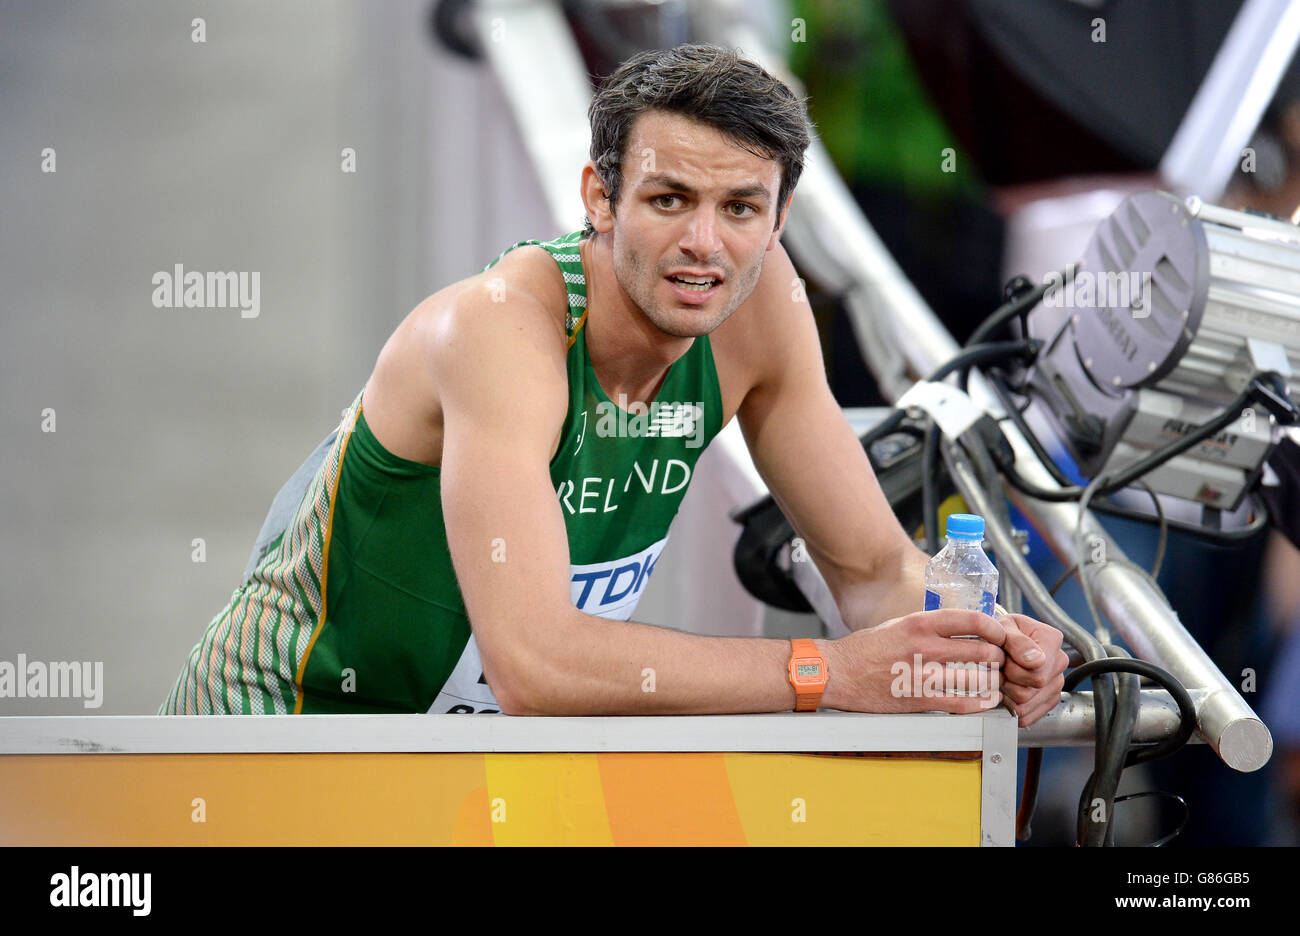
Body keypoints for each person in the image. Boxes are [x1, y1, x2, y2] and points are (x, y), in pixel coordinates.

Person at [160, 43, 1067, 720]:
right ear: (600, 198)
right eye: (669, 199)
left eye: (741, 208)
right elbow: (535, 666)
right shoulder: (496, 329)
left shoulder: (761, 310)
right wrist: (830, 673)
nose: (704, 244)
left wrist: (985, 642)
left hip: (455, 759)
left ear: (781, 216)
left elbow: (872, 572)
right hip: (279, 733)